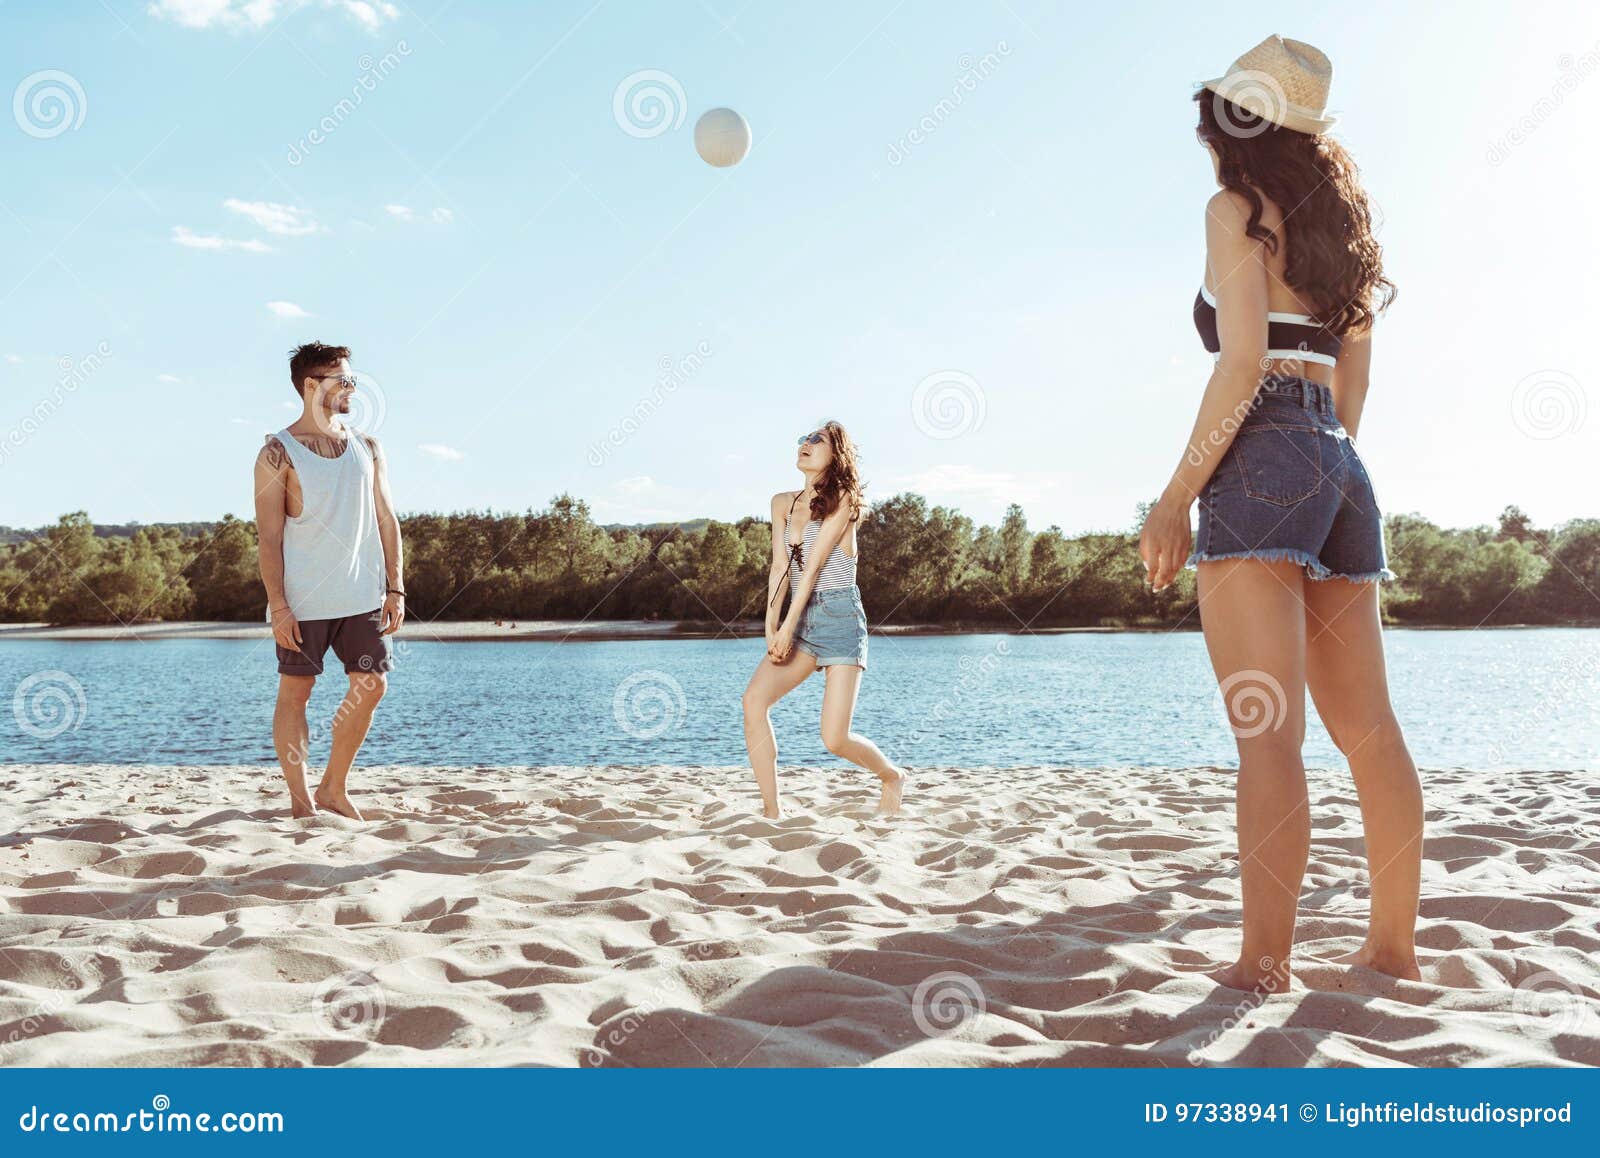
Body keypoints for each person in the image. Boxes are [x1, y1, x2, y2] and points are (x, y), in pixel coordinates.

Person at [1138, 37, 1422, 991]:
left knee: (1268, 733)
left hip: (1260, 446)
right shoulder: (1347, 231)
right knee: (1371, 729)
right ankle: (1392, 948)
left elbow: (1242, 357)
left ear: (1229, 126)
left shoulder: (1234, 211)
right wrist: (1321, 465)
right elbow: (1355, 386)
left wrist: (1176, 497)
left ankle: (1265, 963)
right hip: (1341, 458)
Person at [254, 342, 405, 820]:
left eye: (352, 379)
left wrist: (396, 585)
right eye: (343, 380)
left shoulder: (368, 446)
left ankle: (333, 789)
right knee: (296, 693)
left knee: (372, 684)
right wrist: (278, 604)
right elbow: (269, 538)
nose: (352, 388)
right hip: (303, 602)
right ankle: (301, 803)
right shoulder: (277, 453)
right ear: (311, 385)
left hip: (362, 597)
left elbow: (386, 519)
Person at [741, 421, 906, 819]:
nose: (805, 443)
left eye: (818, 440)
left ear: (836, 455)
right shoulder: (782, 502)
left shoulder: (846, 499)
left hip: (839, 617)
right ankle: (771, 811)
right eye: (803, 438)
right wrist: (770, 625)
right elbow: (780, 567)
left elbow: (813, 567)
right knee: (753, 703)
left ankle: (892, 776)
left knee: (834, 739)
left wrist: (786, 626)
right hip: (798, 617)